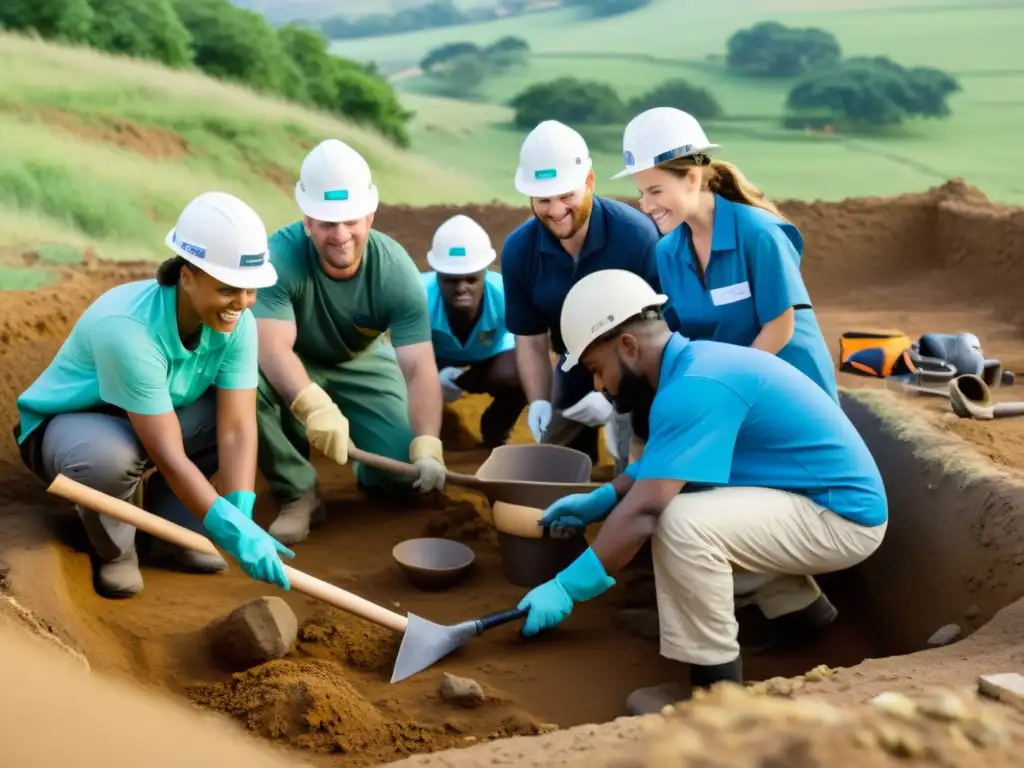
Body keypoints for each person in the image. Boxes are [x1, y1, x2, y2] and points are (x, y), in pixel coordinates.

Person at [515, 269, 887, 715]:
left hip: (841, 519)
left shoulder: (695, 386)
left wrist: (565, 589)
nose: (598, 385)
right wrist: (604, 499)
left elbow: (646, 510)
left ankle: (713, 694)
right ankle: (800, 613)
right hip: (815, 502)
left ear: (628, 347)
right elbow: (664, 465)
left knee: (678, 521)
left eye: (597, 369)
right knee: (680, 506)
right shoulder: (694, 366)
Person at [13, 192, 293, 599]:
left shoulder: (238, 320)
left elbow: (236, 427)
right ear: (187, 276)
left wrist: (239, 516)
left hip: (155, 417)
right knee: (109, 460)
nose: (243, 302)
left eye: (250, 290)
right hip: (74, 428)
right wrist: (227, 528)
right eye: (229, 288)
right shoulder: (129, 330)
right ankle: (116, 550)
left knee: (249, 408)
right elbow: (168, 454)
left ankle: (175, 529)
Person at [253, 139, 446, 545]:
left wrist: (428, 444)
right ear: (307, 221)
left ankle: (368, 465)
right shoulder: (279, 259)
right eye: (326, 223)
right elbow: (271, 350)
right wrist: (313, 406)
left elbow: (419, 367)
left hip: (359, 361)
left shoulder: (396, 272)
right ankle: (298, 491)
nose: (340, 235)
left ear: (370, 216)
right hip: (289, 359)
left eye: (350, 220)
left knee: (402, 479)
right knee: (242, 377)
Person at [613, 107, 839, 405]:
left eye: (656, 191)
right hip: (733, 395)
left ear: (692, 178)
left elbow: (779, 327)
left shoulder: (759, 233)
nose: (646, 205)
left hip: (794, 393)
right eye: (641, 193)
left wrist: (727, 387)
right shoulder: (667, 252)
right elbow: (678, 337)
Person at [503, 119, 662, 472]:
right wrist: (541, 402)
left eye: (566, 196)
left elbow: (662, 330)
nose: (556, 211)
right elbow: (529, 341)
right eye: (543, 200)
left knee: (633, 467)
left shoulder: (637, 235)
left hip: (640, 367)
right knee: (551, 470)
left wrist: (618, 394)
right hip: (575, 365)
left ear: (588, 182)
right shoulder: (519, 249)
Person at [420, 214, 526, 447]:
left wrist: (461, 381)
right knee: (397, 372)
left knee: (522, 370)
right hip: (432, 358)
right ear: (437, 276)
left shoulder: (507, 293)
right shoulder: (416, 294)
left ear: (485, 273)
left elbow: (533, 344)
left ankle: (496, 431)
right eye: (451, 280)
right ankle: (428, 431)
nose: (461, 288)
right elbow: (397, 347)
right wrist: (429, 377)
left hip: (492, 359)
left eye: (471, 280)